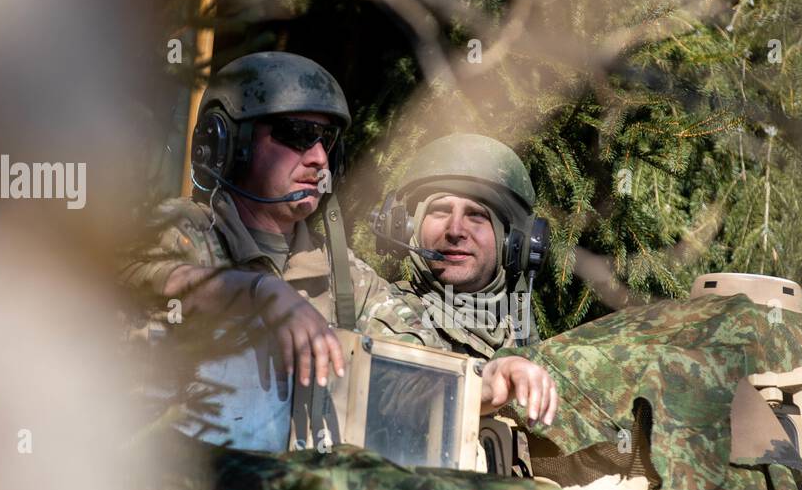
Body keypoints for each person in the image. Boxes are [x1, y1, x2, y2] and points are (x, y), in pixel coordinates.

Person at [121, 53, 557, 445]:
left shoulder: (345, 276)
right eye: (296, 135)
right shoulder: (177, 229)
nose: (317, 159)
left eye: (326, 141)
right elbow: (124, 272)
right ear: (229, 143)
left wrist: (491, 381)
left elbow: (419, 369)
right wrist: (254, 292)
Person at [362, 133, 558, 423]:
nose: (455, 230)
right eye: (440, 210)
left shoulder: (519, 332)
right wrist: (486, 384)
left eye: (476, 215)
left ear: (514, 243)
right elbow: (396, 391)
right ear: (407, 229)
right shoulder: (387, 314)